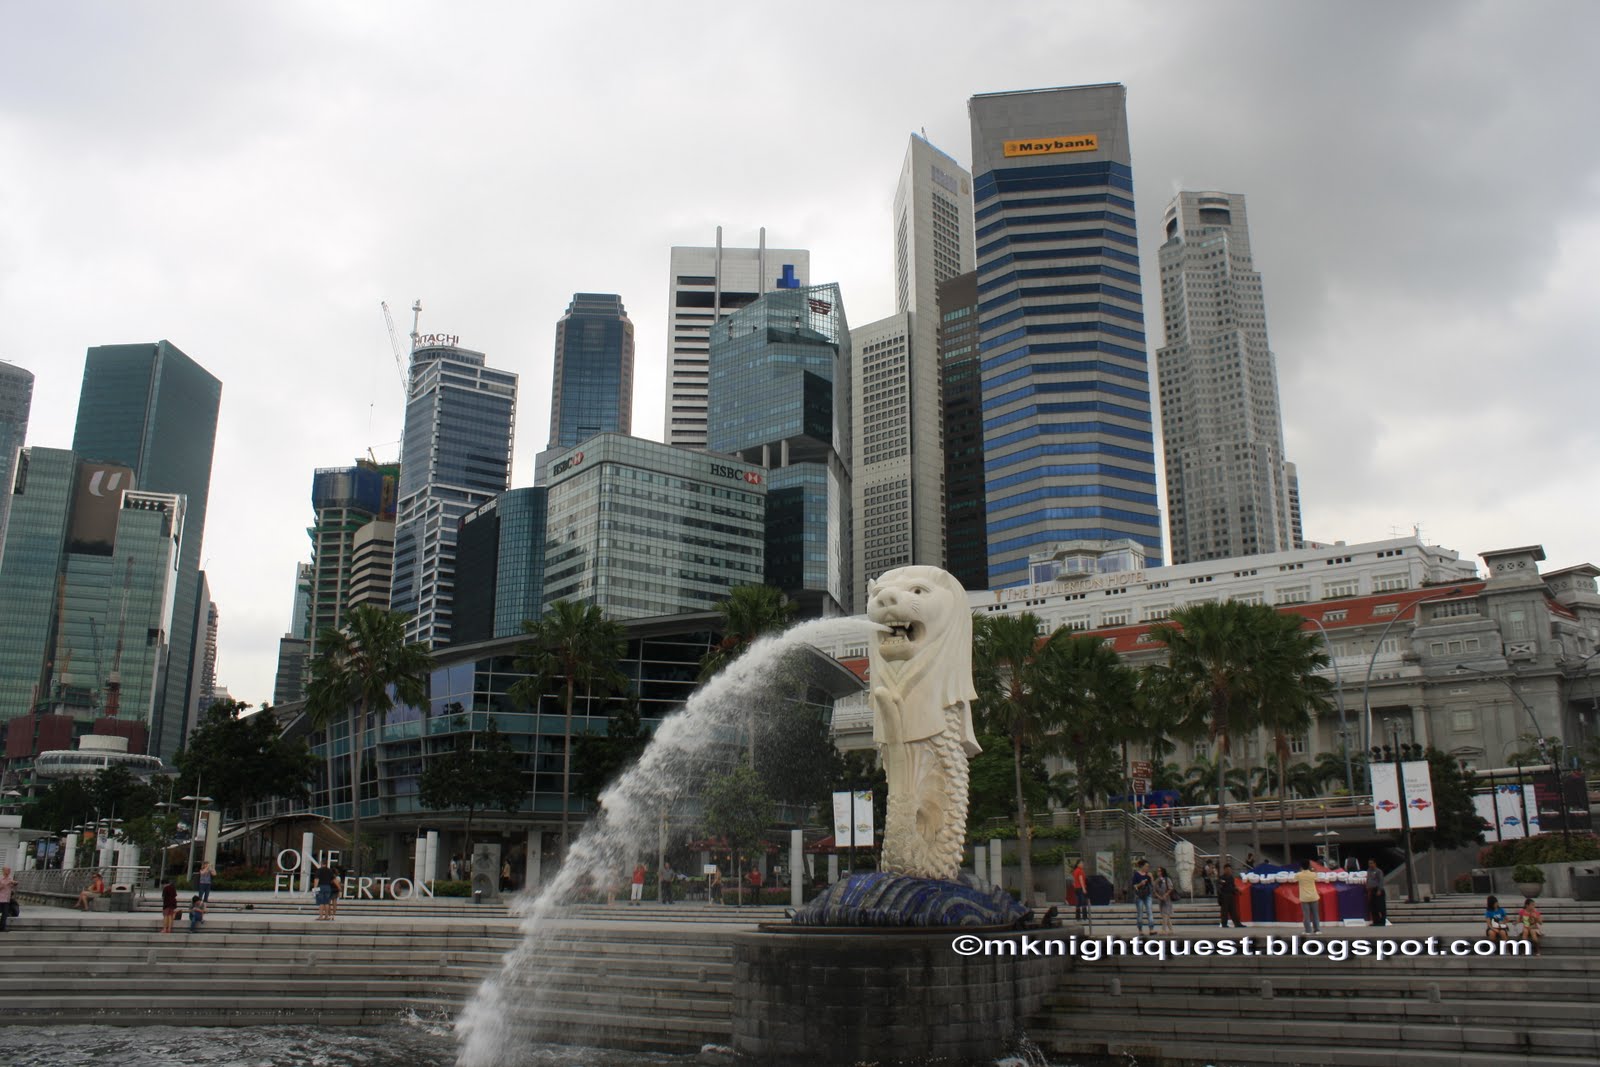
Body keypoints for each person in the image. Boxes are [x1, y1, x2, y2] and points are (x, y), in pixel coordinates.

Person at [1294, 859, 1322, 935]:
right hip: (1314, 896)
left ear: (1301, 866)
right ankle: (1317, 930)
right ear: (1309, 866)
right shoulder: (1313, 874)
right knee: (1315, 914)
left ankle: (1308, 930)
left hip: (1304, 897)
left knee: (1306, 915)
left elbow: (1294, 880)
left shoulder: (1299, 875)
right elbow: (1317, 879)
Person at [1217, 863, 1245, 928]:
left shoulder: (1231, 878)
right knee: (1224, 911)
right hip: (1224, 896)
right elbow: (1221, 887)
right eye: (1227, 869)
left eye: (1230, 869)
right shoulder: (1221, 878)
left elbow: (1232, 886)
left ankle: (1237, 923)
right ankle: (1224, 924)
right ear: (1224, 870)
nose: (1229, 871)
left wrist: (1237, 890)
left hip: (1231, 895)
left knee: (1233, 911)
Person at [1131, 860, 1154, 934]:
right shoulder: (1136, 874)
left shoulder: (1148, 874)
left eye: (1148, 866)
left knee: (1149, 911)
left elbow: (1152, 885)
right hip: (1139, 895)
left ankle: (1151, 929)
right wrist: (1140, 884)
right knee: (1140, 912)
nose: (1147, 868)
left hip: (1148, 895)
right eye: (1146, 866)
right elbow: (1134, 886)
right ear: (1142, 866)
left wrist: (1152, 877)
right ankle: (1140, 929)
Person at [1154, 866, 1176, 935]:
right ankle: (1171, 929)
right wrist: (1159, 896)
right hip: (1160, 899)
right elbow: (1154, 890)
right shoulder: (1157, 880)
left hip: (1167, 899)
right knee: (1165, 915)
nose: (1158, 872)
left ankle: (1164, 929)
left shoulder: (1167, 879)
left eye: (1160, 871)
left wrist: (1165, 895)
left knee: (1165, 914)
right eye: (1158, 871)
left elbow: (1170, 888)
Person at [1366, 859, 1387, 927]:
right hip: (1371, 890)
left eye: (1372, 863)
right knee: (1373, 907)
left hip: (1377, 890)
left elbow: (1381, 880)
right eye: (1369, 863)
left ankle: (1382, 921)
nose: (1370, 865)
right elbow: (1368, 880)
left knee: (1380, 906)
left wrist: (1379, 890)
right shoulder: (1369, 871)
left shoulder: (1378, 871)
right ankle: (1376, 921)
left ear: (1375, 864)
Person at [0, 866, 16, 932]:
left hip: (7, 899)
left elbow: (12, 887)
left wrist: (14, 884)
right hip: (0, 899)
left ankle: (3, 927)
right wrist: (6, 883)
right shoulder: (0, 878)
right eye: (7, 870)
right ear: (3, 871)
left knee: (5, 914)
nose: (9, 872)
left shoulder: (10, 878)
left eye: (9, 870)